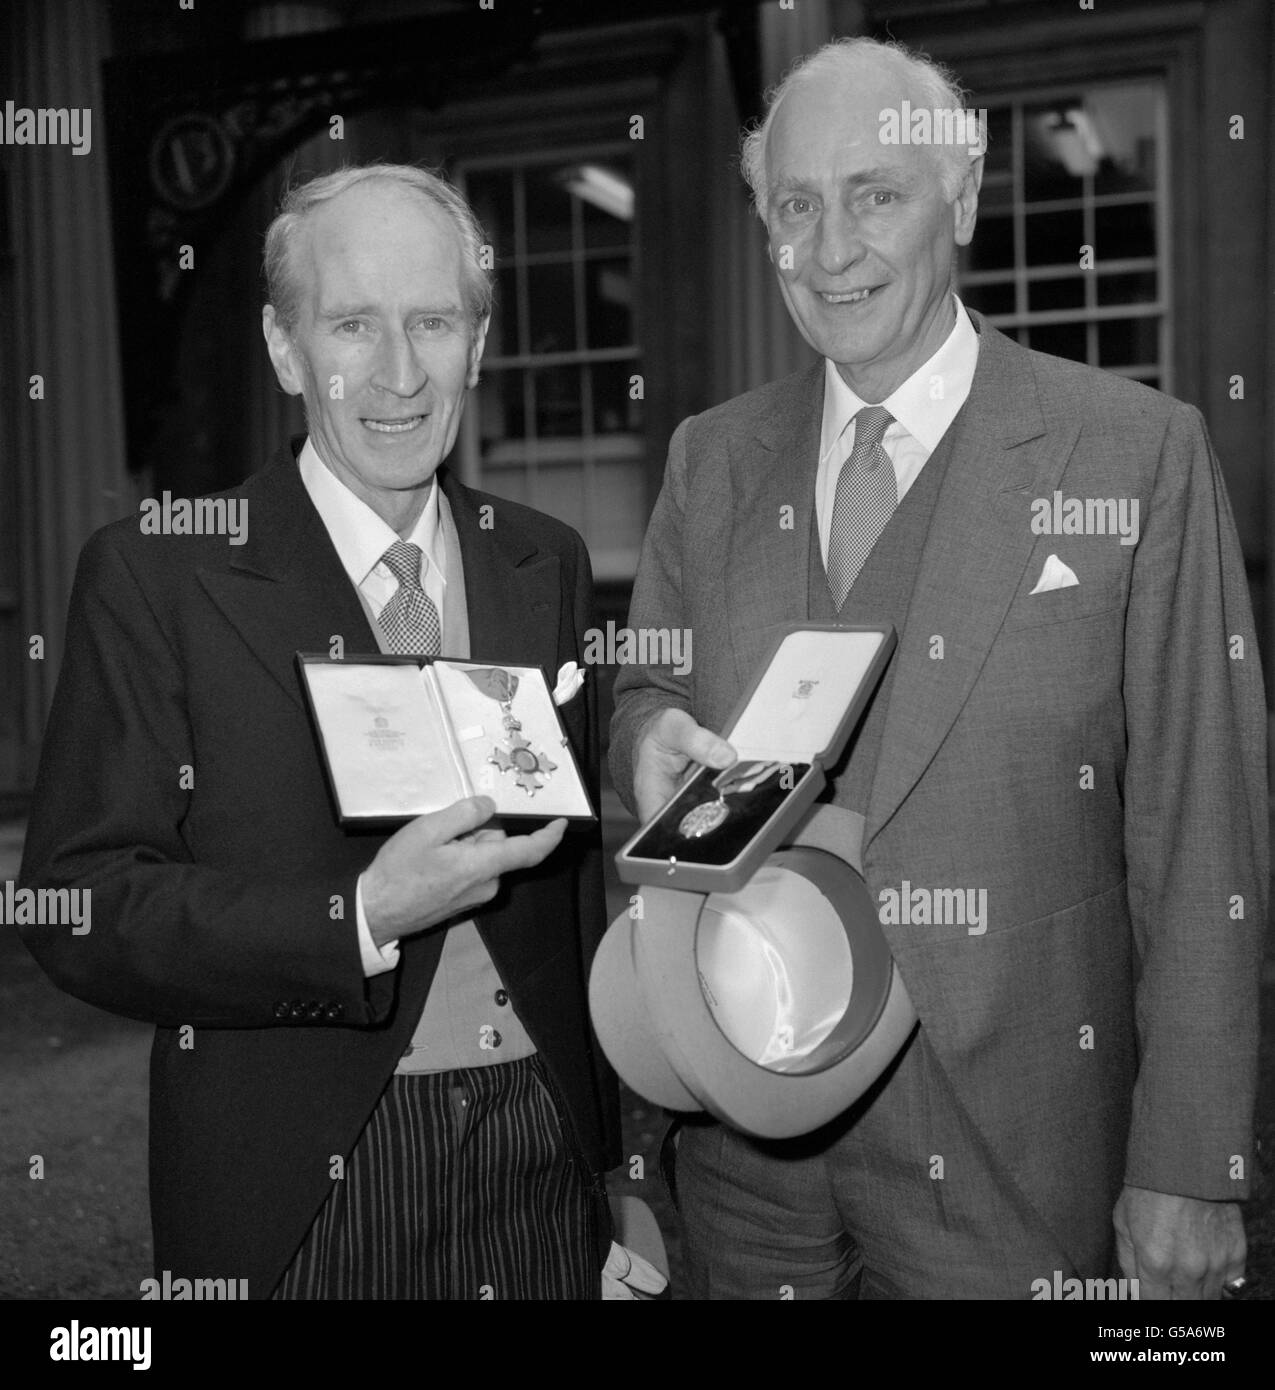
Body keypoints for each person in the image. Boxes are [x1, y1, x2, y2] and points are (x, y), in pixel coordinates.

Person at [608, 38, 1267, 1299]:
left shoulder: (1136, 455)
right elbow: (648, 691)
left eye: (876, 193)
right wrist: (646, 744)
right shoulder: (711, 461)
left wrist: (1192, 1159)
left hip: (1020, 1155)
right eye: (796, 205)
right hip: (751, 1161)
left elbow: (1206, 834)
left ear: (959, 200)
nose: (833, 243)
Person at [19, 163, 620, 1299]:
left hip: (544, 1157)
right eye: (353, 324)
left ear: (477, 344)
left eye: (432, 322)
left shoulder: (541, 559)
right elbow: (82, 901)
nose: (398, 373)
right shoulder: (160, 573)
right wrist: (357, 917)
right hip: (305, 1184)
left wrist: (622, 1166)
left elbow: (576, 892)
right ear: (286, 348)